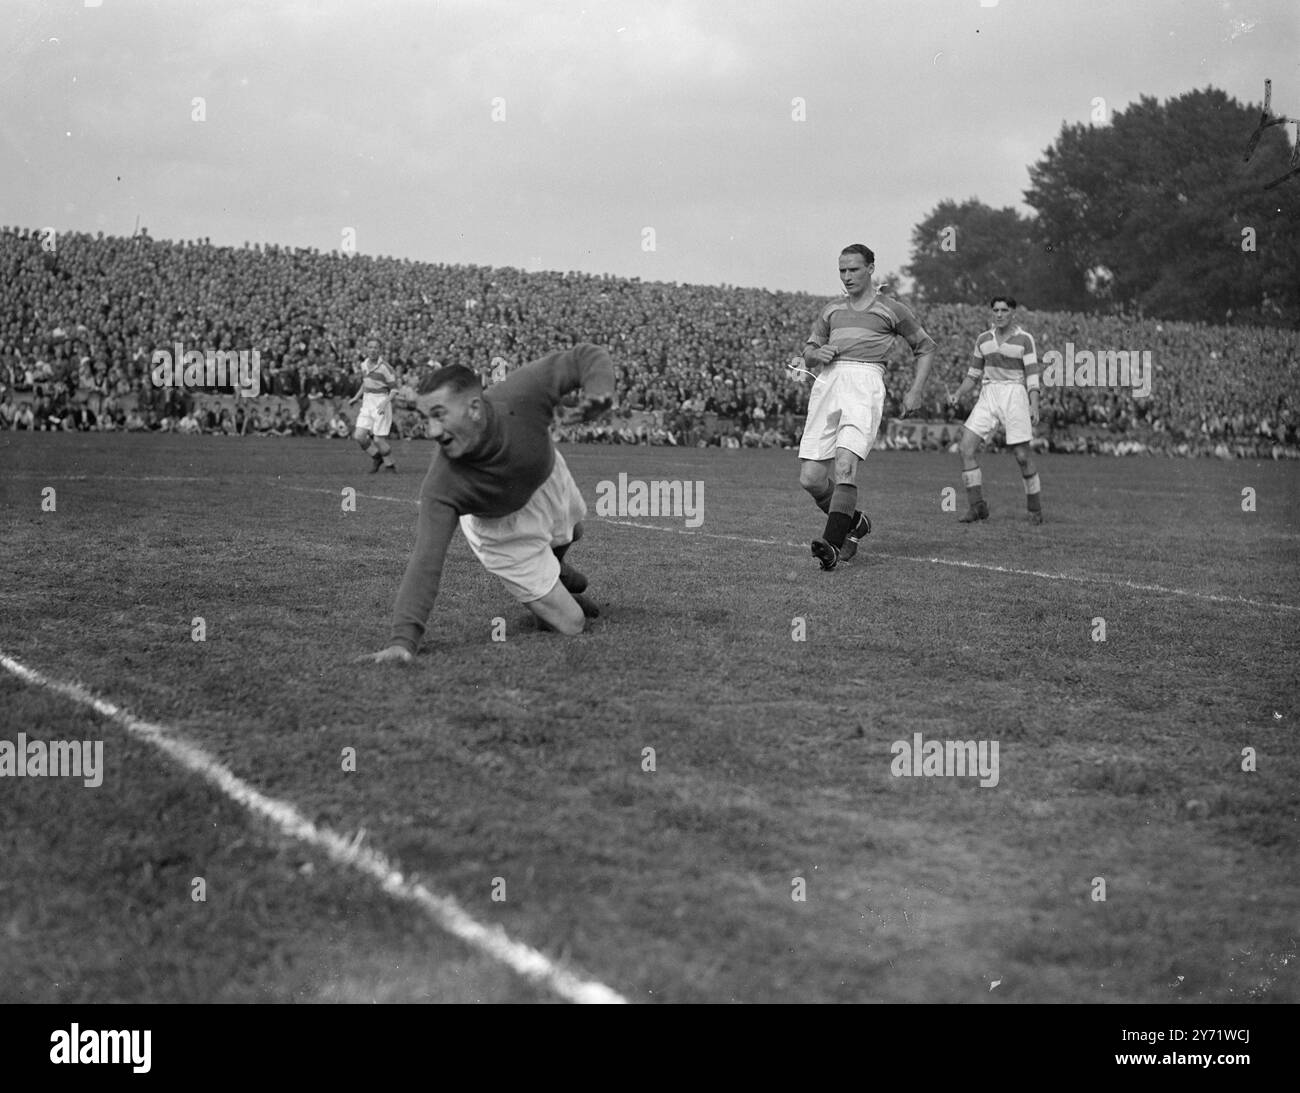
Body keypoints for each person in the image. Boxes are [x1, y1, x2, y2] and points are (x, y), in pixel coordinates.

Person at [358, 343, 615, 664]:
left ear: (475, 408)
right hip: (500, 529)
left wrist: (600, 388)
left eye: (439, 415)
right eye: (427, 418)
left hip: (544, 478)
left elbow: (585, 357)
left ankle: (554, 572)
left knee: (575, 530)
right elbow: (425, 560)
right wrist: (403, 641)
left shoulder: (521, 392)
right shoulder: (443, 484)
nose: (432, 431)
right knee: (573, 624)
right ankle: (545, 595)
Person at [797, 244, 936, 570]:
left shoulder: (892, 309)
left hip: (864, 383)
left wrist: (915, 391)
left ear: (871, 268)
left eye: (854, 270)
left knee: (845, 466)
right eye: (842, 270)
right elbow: (808, 350)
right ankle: (855, 522)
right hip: (828, 384)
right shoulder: (831, 310)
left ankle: (831, 546)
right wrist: (817, 355)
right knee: (811, 479)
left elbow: (926, 347)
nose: (847, 277)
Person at [947, 296, 1044, 524]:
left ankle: (1035, 509)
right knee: (966, 448)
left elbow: (1032, 375)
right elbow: (973, 374)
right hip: (989, 392)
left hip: (1014, 394)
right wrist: (958, 393)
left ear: (1013, 313)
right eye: (996, 310)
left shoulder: (1025, 339)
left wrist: (1034, 404)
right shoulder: (983, 339)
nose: (999, 314)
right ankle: (977, 507)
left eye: (1004, 310)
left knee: (1021, 456)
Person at [348, 334, 397, 473]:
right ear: (366, 349)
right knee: (359, 436)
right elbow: (365, 383)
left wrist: (385, 402)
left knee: (378, 440)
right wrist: (355, 397)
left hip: (381, 401)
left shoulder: (385, 367)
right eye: (370, 347)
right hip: (367, 402)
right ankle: (377, 457)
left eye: (376, 347)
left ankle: (390, 465)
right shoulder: (364, 364)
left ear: (380, 349)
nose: (373, 350)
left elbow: (394, 389)